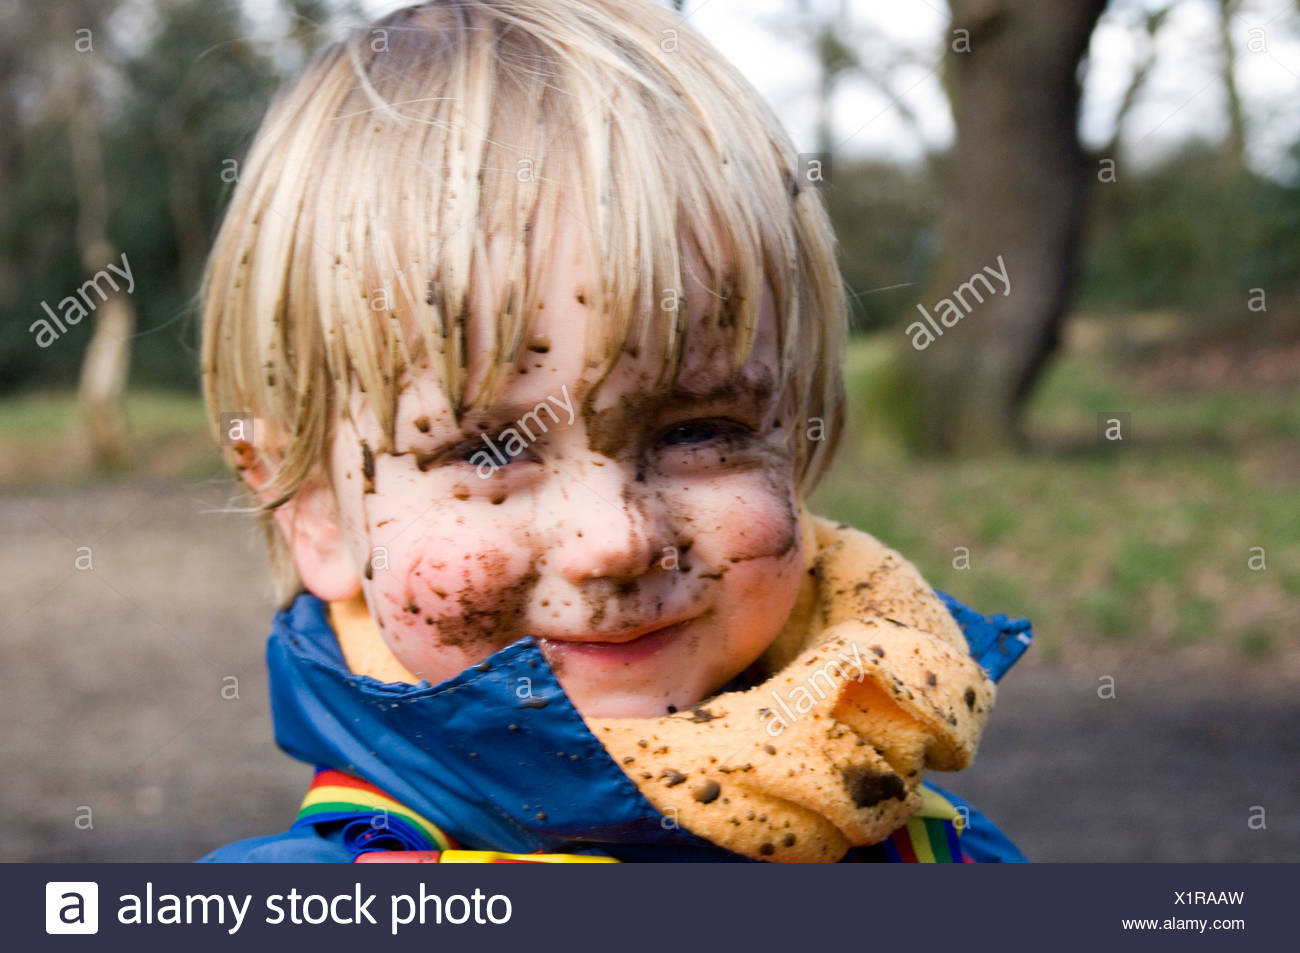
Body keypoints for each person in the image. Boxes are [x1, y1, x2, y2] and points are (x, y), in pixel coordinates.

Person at [198, 0, 1031, 863]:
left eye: (696, 431)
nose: (617, 540)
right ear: (313, 510)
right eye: (488, 448)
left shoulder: (948, 853)